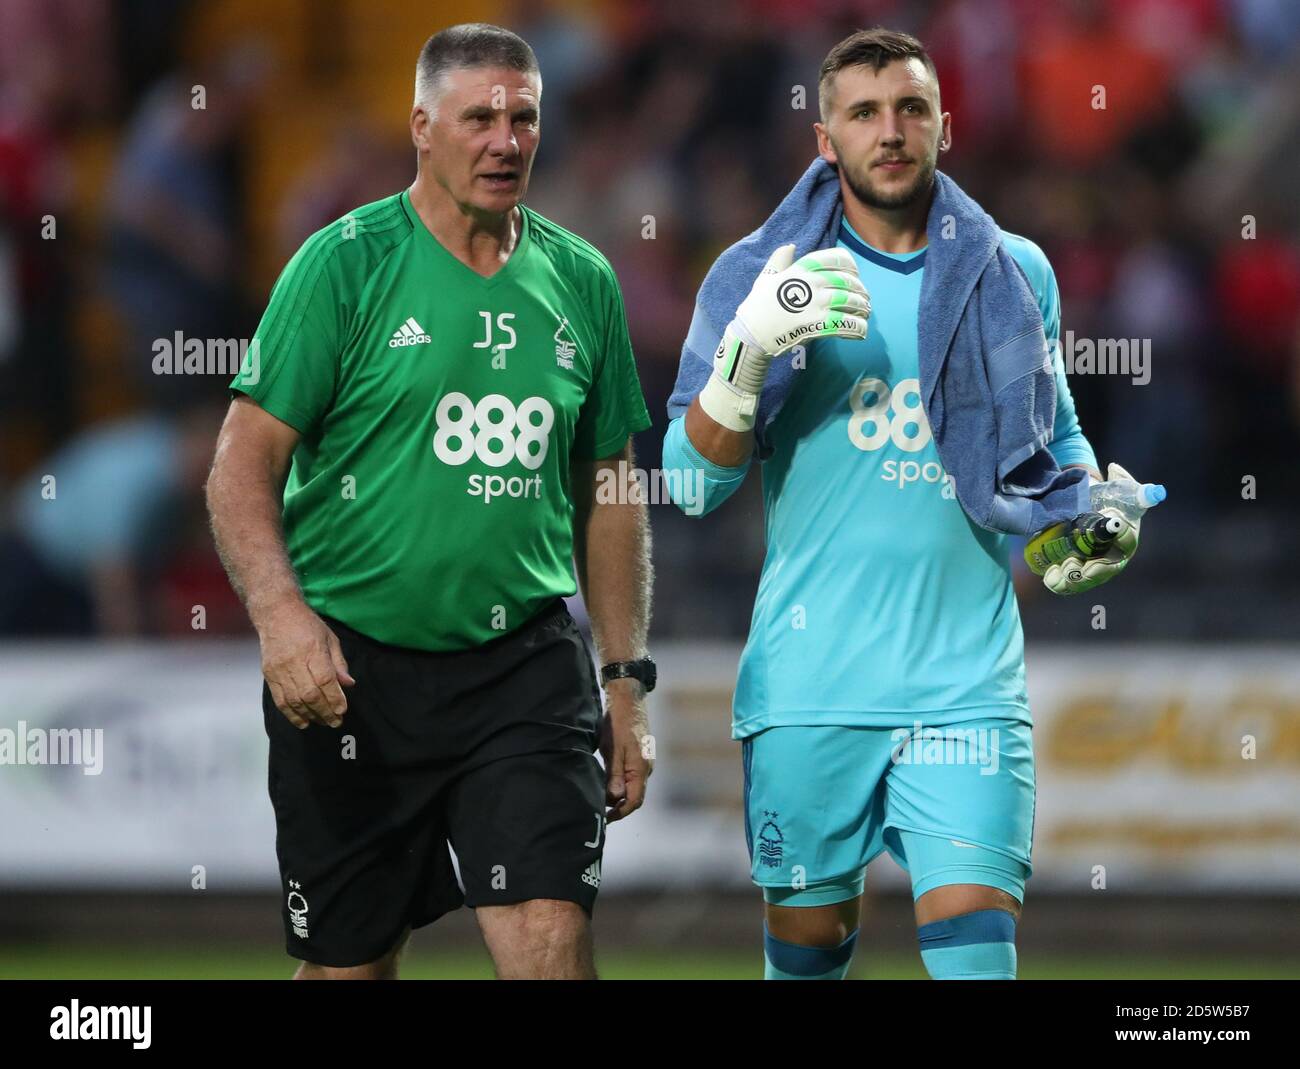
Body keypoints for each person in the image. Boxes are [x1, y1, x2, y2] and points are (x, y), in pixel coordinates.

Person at [662, 28, 1147, 980]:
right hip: (811, 685)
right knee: (808, 960)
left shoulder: (1016, 274)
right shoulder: (758, 279)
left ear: (945, 126)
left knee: (976, 958)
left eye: (911, 108)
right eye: (865, 113)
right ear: (823, 139)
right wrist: (749, 352)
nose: (891, 130)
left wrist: (1098, 517)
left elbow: (1059, 454)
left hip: (965, 686)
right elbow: (687, 481)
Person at [206, 23, 655, 980]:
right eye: (480, 117)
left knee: (550, 941)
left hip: (523, 670)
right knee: (349, 968)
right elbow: (240, 465)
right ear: (421, 125)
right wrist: (283, 621)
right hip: (351, 673)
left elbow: (610, 488)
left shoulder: (583, 280)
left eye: (524, 117)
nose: (506, 139)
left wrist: (625, 677)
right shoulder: (344, 264)